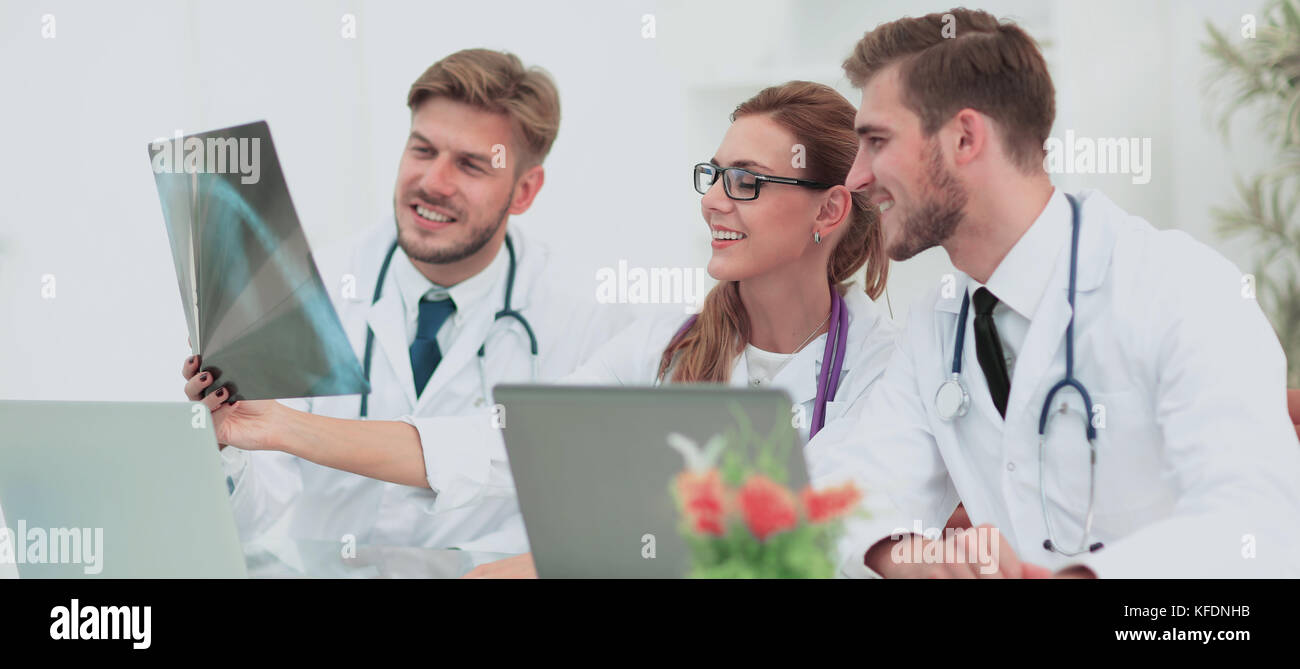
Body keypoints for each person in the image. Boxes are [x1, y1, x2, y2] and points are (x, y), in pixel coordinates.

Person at [189, 81, 900, 575]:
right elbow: (495, 443)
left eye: (746, 181)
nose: (713, 201)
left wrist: (557, 564)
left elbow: (828, 531)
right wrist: (273, 424)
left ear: (829, 211)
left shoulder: (887, 367)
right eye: (711, 175)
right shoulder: (662, 347)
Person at [810, 8, 1300, 578]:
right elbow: (833, 488)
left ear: (965, 138)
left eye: (876, 141)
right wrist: (902, 556)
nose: (855, 178)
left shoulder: (1179, 288)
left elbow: (1258, 529)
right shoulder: (938, 324)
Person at [181, 48, 629, 553]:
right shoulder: (304, 286)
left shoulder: (582, 319)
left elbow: (590, 504)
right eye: (422, 150)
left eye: (470, 164)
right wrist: (225, 445)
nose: (433, 182)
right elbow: (250, 519)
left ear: (524, 190)